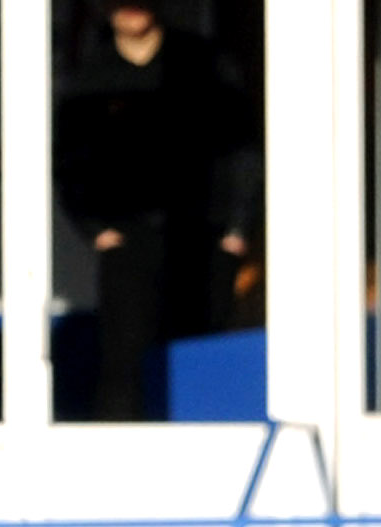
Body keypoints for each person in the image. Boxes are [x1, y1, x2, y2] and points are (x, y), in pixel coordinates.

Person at [56, 5, 258, 422]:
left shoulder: (203, 62)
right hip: (128, 240)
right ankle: (121, 470)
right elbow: (69, 161)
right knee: (123, 364)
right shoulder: (92, 75)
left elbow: (242, 147)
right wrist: (94, 228)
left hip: (204, 236)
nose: (130, 10)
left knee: (200, 356)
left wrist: (237, 225)